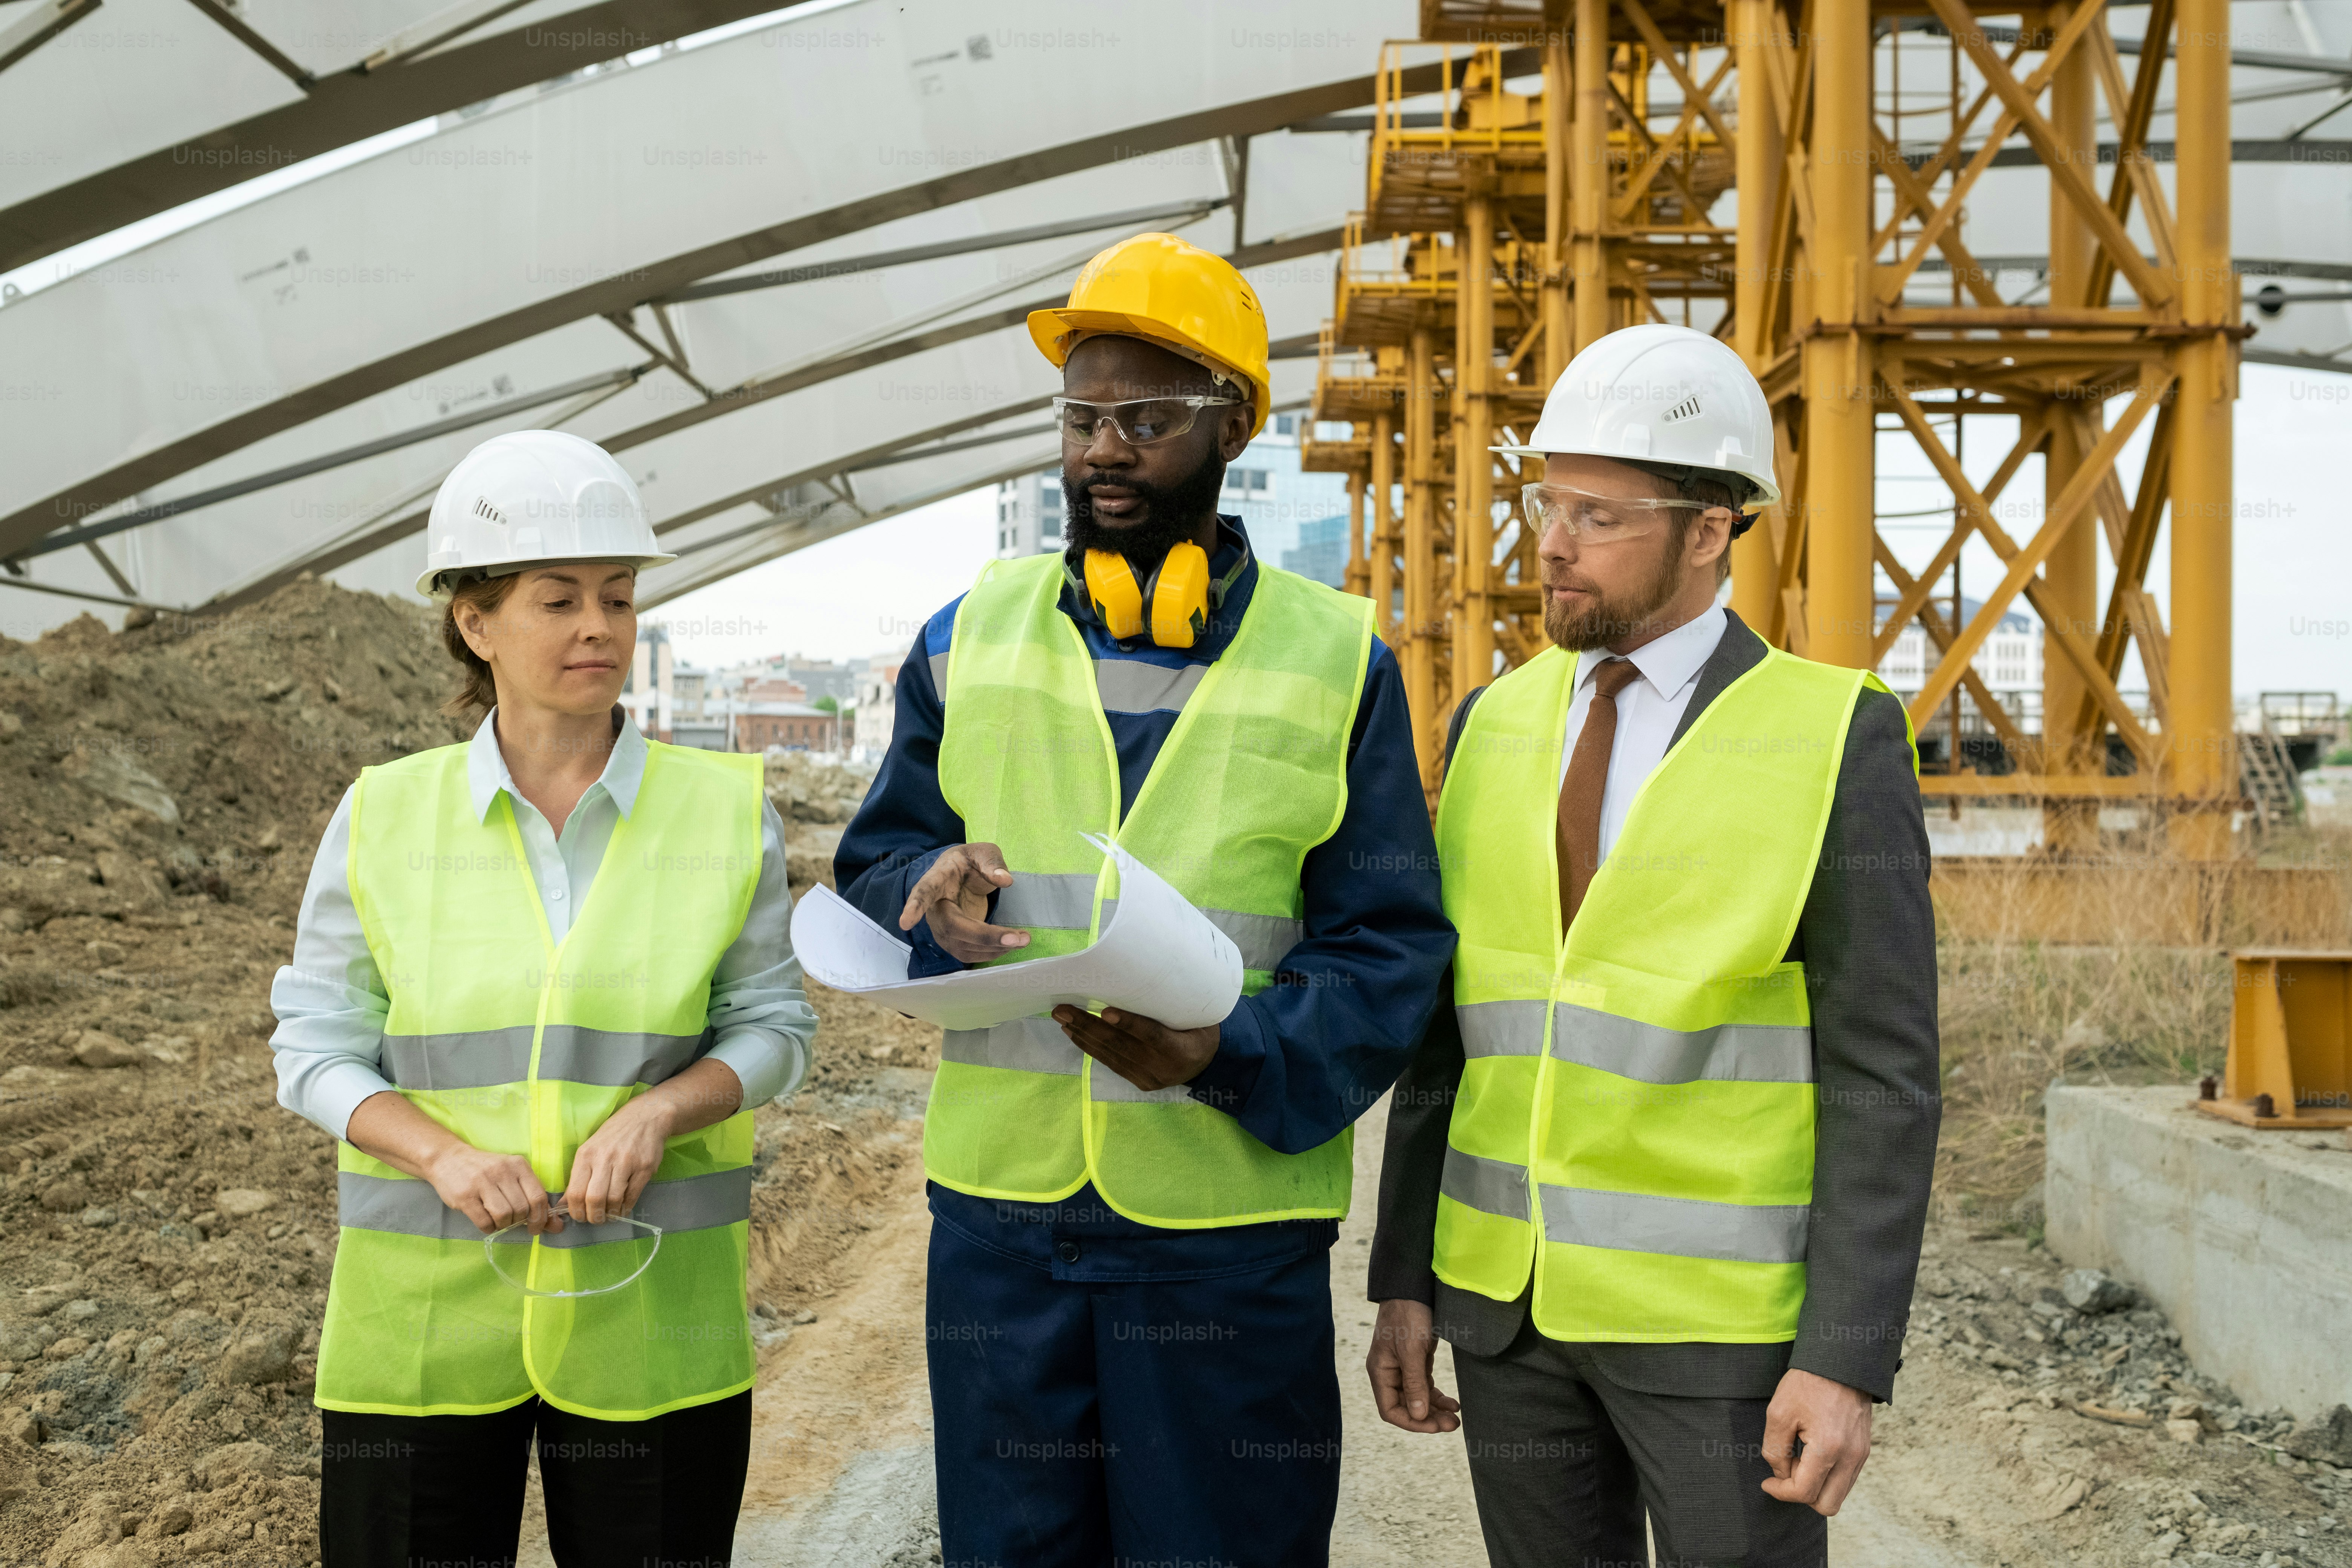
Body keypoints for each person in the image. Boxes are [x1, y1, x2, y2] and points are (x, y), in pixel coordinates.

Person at [835, 231, 1455, 1567]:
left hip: (1224, 1233)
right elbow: (879, 853)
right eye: (1081, 416)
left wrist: (1228, 1052)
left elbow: (1390, 948)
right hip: (1003, 1230)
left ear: (1233, 426)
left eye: (1147, 419)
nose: (1103, 449)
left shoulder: (1337, 661)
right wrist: (915, 890)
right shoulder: (965, 636)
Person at [1363, 324, 1940, 1567]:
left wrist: (1843, 1359)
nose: (1554, 543)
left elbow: (1882, 1073)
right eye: (1547, 502)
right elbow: (1443, 1043)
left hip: (1718, 1337)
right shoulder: (1490, 724)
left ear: (1712, 526)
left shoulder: (1835, 733)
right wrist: (1404, 1281)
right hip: (1508, 1318)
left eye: (1600, 514)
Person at [269, 430, 819, 1568]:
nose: (598, 628)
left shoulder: (721, 814)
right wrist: (444, 1159)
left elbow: (773, 1026)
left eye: (618, 599)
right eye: (559, 599)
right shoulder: (383, 815)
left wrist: (662, 1112)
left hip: (652, 1321)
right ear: (475, 622)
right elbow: (315, 1049)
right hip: (421, 1324)